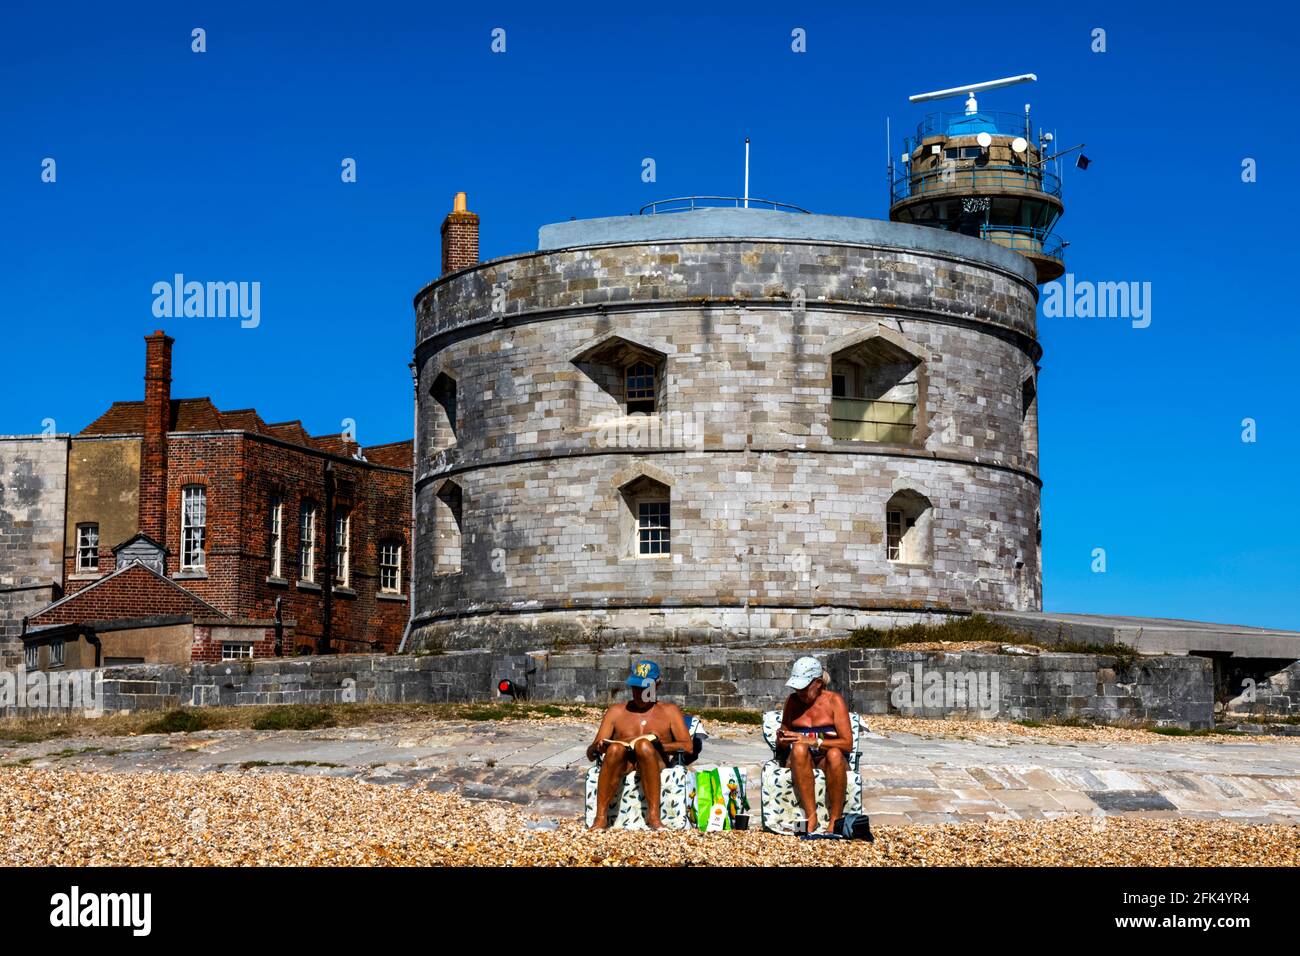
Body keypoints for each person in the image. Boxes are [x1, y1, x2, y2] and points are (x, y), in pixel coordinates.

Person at [587, 660, 693, 830]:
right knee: (615, 748)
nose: (639, 692)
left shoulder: (669, 711)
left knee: (643, 745)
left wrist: (659, 745)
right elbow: (591, 753)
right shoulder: (616, 711)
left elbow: (688, 747)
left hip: (654, 760)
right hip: (624, 762)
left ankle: (654, 817)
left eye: (645, 688)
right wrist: (597, 747)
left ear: (657, 685)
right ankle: (600, 818)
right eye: (636, 687)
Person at [776, 656, 852, 834]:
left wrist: (814, 741)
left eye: (803, 688)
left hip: (829, 759)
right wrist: (781, 740)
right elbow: (783, 739)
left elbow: (847, 744)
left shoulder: (834, 701)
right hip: (803, 760)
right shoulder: (793, 701)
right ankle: (811, 816)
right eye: (796, 687)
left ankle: (835, 818)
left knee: (834, 753)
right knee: (800, 748)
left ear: (817, 683)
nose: (799, 692)